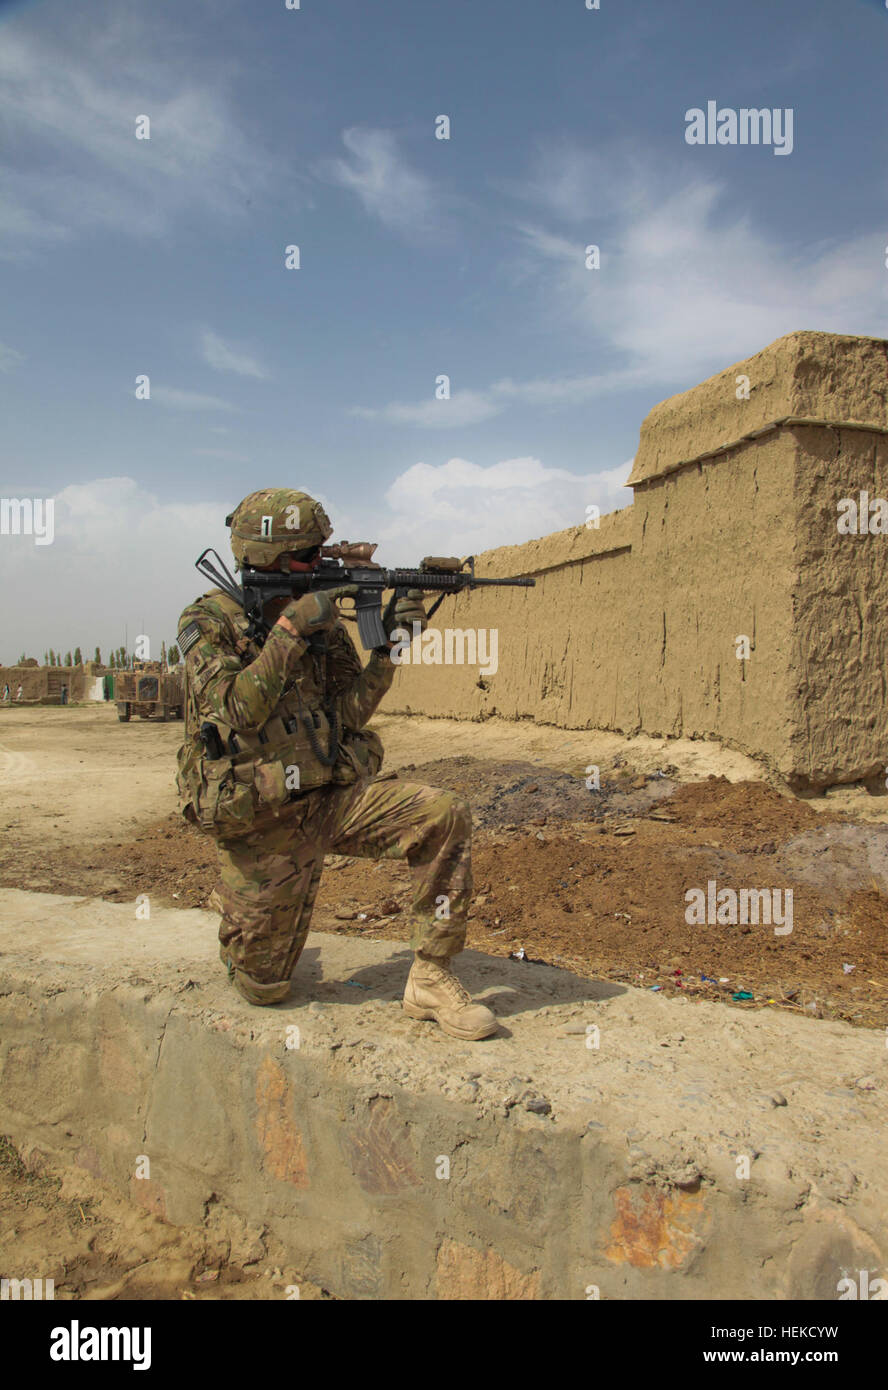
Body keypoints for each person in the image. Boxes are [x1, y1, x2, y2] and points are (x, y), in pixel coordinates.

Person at [175, 489, 496, 1040]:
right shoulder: (209, 621)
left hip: (329, 798)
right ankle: (241, 906)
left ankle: (430, 975)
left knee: (444, 814)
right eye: (307, 556)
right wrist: (289, 632)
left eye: (322, 552)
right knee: (265, 987)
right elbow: (237, 708)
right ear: (267, 558)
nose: (319, 564)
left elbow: (348, 713)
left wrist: (390, 648)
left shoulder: (323, 622)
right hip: (264, 818)